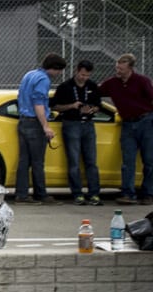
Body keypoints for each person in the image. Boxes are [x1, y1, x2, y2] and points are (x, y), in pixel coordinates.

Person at [97, 53, 153, 204]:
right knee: (128, 160)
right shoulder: (112, 83)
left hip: (146, 121)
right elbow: (97, 92)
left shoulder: (142, 81)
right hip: (127, 123)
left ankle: (148, 194)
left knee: (149, 159)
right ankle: (128, 193)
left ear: (130, 68)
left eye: (121, 68)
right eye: (117, 67)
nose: (118, 71)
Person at [14, 52, 66, 204]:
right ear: (54, 68)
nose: (59, 73)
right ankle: (41, 193)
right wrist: (46, 126)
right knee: (37, 161)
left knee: (24, 161)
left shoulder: (30, 75)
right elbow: (39, 104)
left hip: (23, 120)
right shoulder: (43, 79)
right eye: (59, 70)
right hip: (34, 123)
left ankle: (21, 194)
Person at [50, 59, 103, 206]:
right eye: (82, 74)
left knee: (91, 161)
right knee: (74, 161)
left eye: (87, 75)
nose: (84, 78)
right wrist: (72, 106)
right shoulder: (65, 87)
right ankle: (77, 193)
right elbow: (54, 106)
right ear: (76, 71)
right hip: (71, 124)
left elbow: (99, 105)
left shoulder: (92, 86)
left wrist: (93, 109)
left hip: (88, 124)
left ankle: (94, 194)